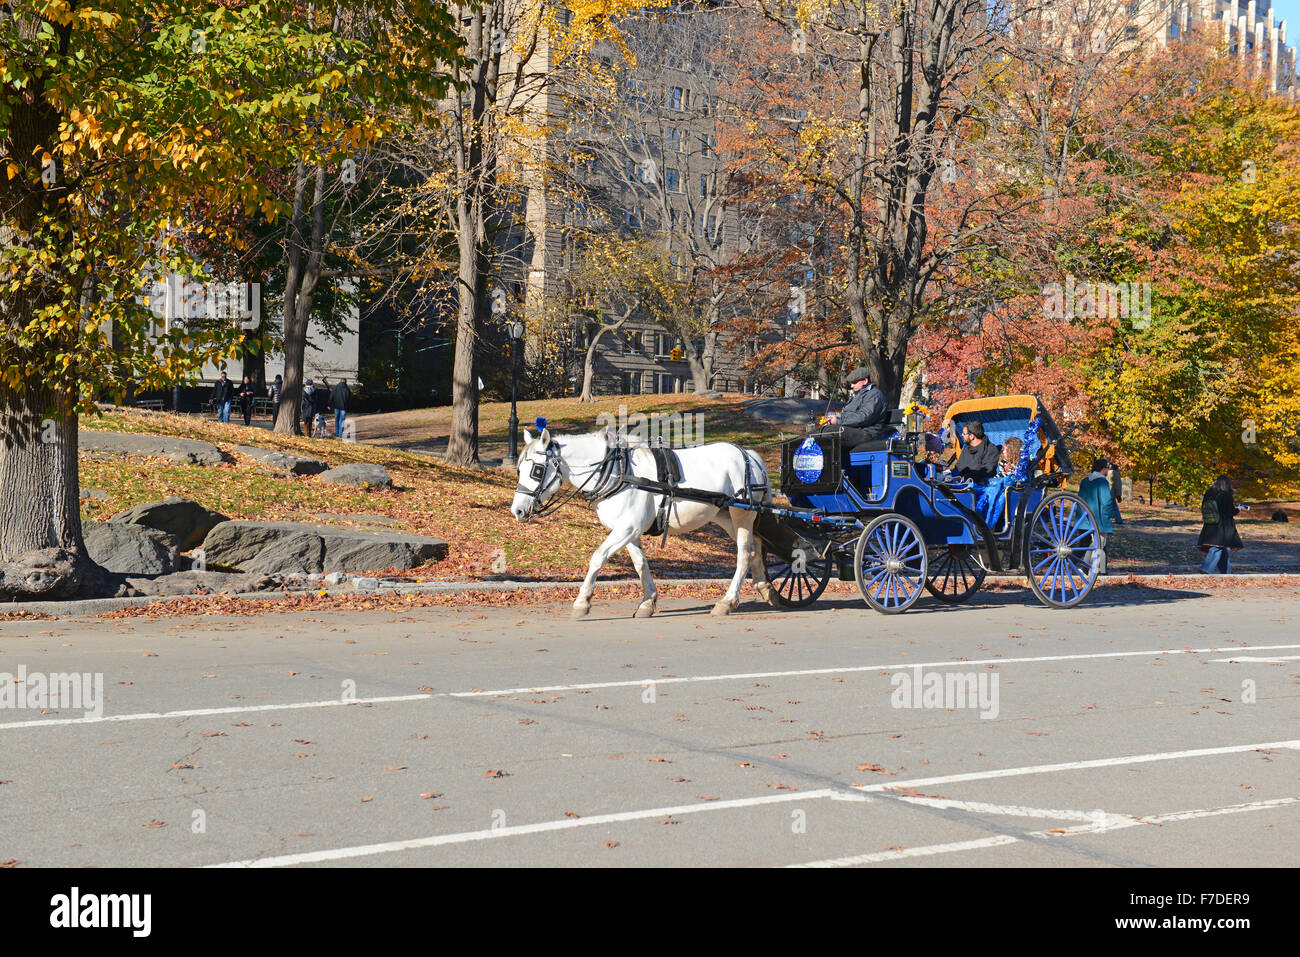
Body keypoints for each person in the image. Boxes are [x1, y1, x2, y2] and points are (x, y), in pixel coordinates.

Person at [822, 367, 889, 451]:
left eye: (854, 382)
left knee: (830, 432)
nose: (851, 386)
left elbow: (864, 417)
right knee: (819, 431)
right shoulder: (857, 395)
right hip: (854, 430)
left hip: (867, 433)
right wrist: (834, 420)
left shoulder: (874, 395)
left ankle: (831, 463)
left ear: (865, 381)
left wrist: (838, 421)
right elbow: (848, 414)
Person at [1078, 457, 1123, 574]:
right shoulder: (1102, 481)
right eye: (1107, 469)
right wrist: (1110, 516)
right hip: (1099, 518)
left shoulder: (1084, 480)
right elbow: (1106, 501)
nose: (1108, 471)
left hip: (1084, 517)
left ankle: (1095, 569)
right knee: (1100, 544)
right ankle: (1093, 568)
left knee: (1091, 544)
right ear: (1103, 469)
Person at [1198, 475, 1242, 574]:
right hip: (1222, 526)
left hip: (1210, 524)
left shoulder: (1209, 493)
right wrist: (1238, 509)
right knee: (1217, 548)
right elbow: (1229, 511)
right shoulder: (1225, 495)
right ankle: (1206, 569)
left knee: (1221, 549)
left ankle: (1227, 572)